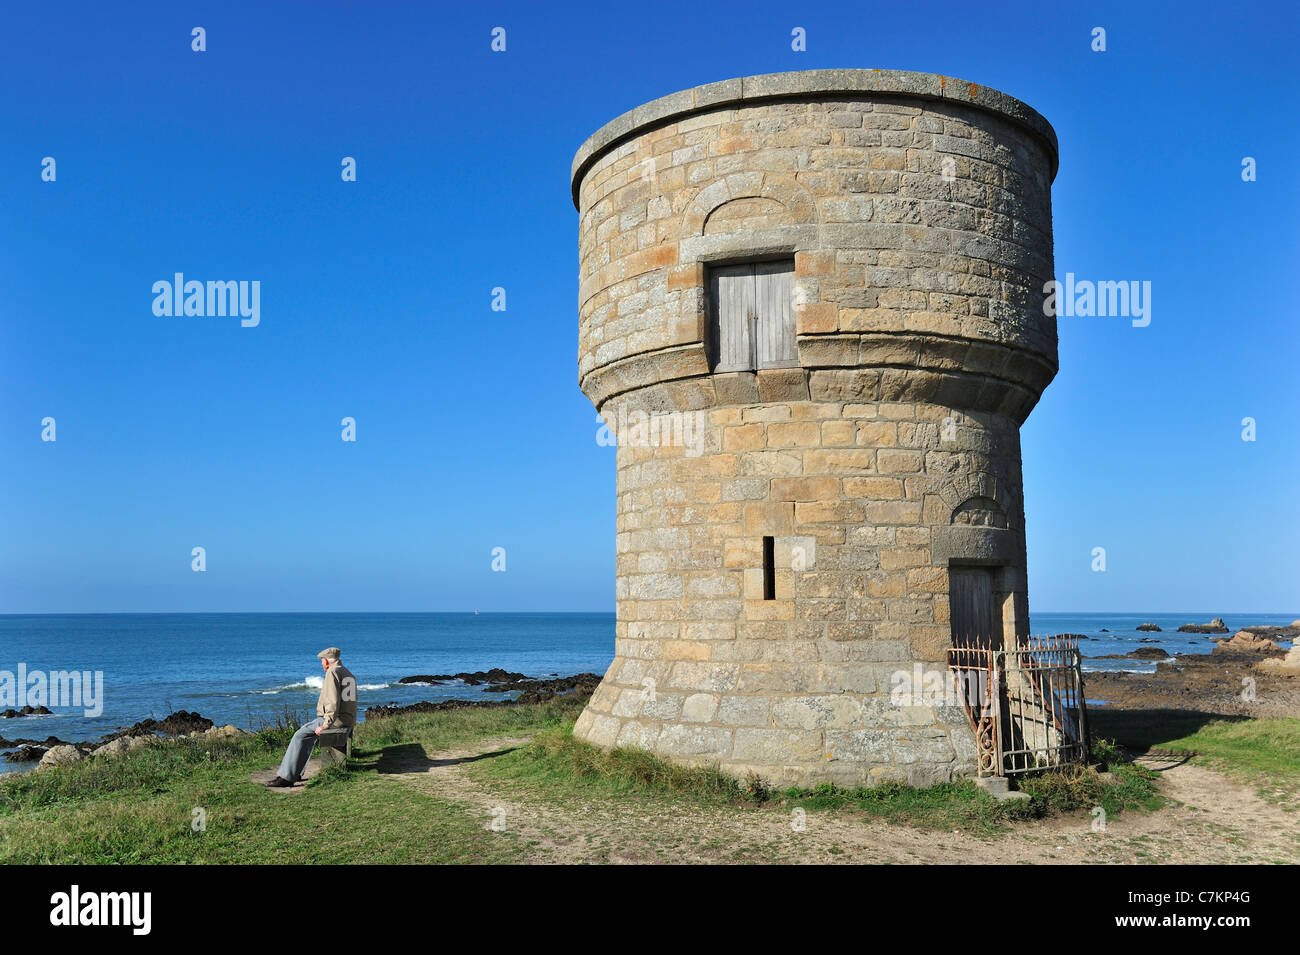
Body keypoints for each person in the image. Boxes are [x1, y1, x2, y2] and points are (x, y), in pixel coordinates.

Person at [266, 647, 357, 788]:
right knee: (306, 734)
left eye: (322, 661)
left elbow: (333, 702)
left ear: (326, 661)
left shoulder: (332, 673)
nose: (321, 664)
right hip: (347, 719)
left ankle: (287, 777)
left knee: (300, 735)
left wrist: (326, 725)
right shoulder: (346, 672)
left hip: (336, 721)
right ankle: (294, 773)